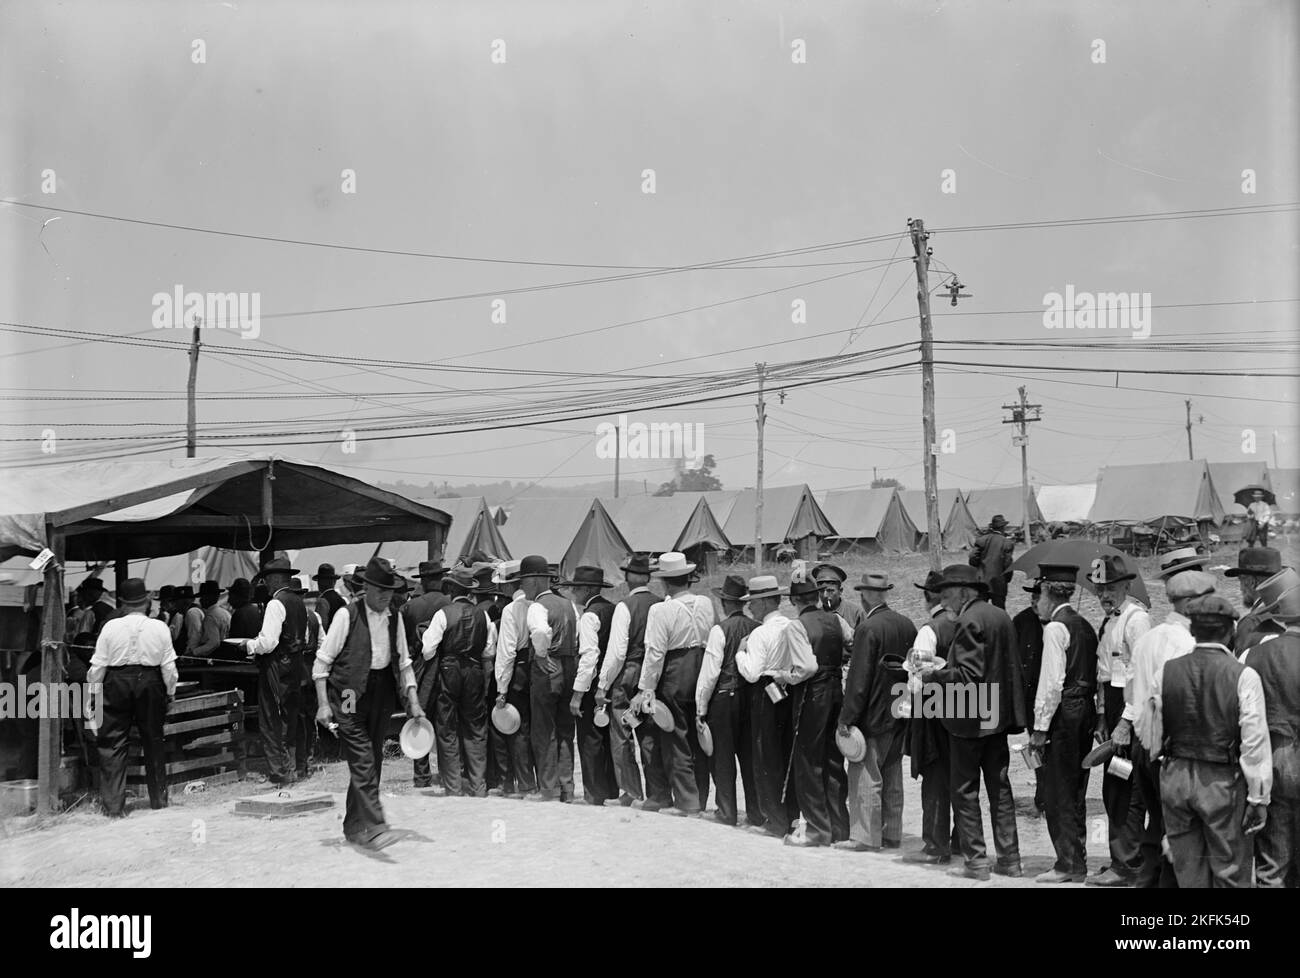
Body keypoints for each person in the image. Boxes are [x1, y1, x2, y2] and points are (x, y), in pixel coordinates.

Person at [921, 564, 1027, 880]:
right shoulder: (1000, 615)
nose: (944, 600)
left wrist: (934, 674)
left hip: (969, 720)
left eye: (948, 594)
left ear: (966, 592)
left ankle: (977, 862)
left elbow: (967, 676)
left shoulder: (969, 620)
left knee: (965, 792)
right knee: (1000, 790)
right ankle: (1010, 860)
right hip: (996, 716)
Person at [1158, 594, 1271, 888]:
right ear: (1231, 631)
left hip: (1175, 775)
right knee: (1229, 872)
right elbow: (1254, 740)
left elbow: (1151, 730)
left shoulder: (1166, 671)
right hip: (1221, 781)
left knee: (1188, 872)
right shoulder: (1243, 675)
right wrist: (1259, 797)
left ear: (1192, 630)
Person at [314, 556, 424, 850]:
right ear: (367, 589)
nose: (385, 597)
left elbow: (404, 663)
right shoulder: (346, 616)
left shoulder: (395, 618)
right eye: (380, 592)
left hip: (381, 693)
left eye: (389, 592)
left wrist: (413, 699)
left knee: (373, 760)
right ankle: (375, 826)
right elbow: (322, 663)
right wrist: (324, 705)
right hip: (349, 696)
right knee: (362, 759)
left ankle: (353, 826)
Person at [1125, 565, 1216, 888]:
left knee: (1157, 821)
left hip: (1143, 743)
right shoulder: (1187, 644)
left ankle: (1146, 881)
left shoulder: (1148, 639)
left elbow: (1130, 692)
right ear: (1191, 604)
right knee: (1179, 828)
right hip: (1171, 748)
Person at [1027, 564, 1097, 884]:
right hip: (1084, 711)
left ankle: (1067, 863)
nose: (1036, 602)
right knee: (1076, 787)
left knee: (1057, 789)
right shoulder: (1085, 625)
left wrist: (1040, 729)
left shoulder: (1055, 628)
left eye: (1038, 594)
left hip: (1063, 713)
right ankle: (1076, 858)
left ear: (1048, 594)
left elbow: (1051, 684)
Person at [85, 578, 177, 817]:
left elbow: (98, 667)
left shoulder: (110, 627)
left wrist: (92, 696)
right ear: (146, 602)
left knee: (112, 743)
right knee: (154, 740)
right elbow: (169, 669)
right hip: (150, 682)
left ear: (122, 604)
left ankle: (114, 807)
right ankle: (159, 800)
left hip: (116, 682)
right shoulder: (160, 628)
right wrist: (170, 693)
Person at [633, 552, 715, 816]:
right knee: (698, 732)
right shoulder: (705, 603)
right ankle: (699, 797)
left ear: (666, 583)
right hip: (701, 666)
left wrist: (647, 688)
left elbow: (655, 652)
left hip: (675, 669)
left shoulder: (661, 610)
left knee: (675, 737)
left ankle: (686, 800)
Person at [837, 571, 912, 851]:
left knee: (866, 775)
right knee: (893, 775)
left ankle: (865, 837)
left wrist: (847, 718)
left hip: (873, 714)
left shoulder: (868, 628)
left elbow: (859, 678)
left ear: (866, 596)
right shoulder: (906, 624)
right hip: (899, 707)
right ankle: (892, 832)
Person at [1089, 553, 1151, 887]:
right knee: (1113, 788)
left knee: (1126, 789)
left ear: (1126, 585)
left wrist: (1125, 722)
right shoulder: (1109, 620)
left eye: (1111, 587)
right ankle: (1120, 857)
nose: (1104, 595)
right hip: (1112, 707)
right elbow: (1104, 673)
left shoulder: (1135, 619)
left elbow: (1141, 675)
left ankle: (1128, 864)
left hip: (1130, 711)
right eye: (1099, 589)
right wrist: (1102, 716)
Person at [1238, 568, 1300, 887]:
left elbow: (1243, 714)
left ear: (1276, 616)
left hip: (1274, 758)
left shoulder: (1254, 655)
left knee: (1272, 863)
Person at [594, 555, 667, 809]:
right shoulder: (661, 604)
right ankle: (658, 793)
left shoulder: (624, 607)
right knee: (650, 733)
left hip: (629, 672)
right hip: (654, 673)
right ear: (649, 577)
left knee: (622, 732)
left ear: (626, 578)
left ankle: (632, 791)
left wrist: (603, 684)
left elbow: (616, 652)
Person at [421, 567, 496, 797]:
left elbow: (427, 650)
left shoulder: (443, 614)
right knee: (475, 728)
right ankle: (478, 786)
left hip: (449, 670)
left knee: (447, 727)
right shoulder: (483, 615)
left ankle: (453, 786)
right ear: (470, 591)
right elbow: (488, 650)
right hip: (474, 669)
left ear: (452, 589)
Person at [696, 574, 762, 827]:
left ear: (724, 603)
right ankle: (756, 811)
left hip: (724, 698)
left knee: (722, 758)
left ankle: (726, 810)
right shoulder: (756, 627)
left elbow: (709, 674)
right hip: (751, 697)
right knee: (750, 756)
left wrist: (701, 709)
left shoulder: (719, 630)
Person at [237, 558, 310, 783]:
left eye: (267, 580)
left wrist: (249, 645)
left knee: (271, 720)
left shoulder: (275, 604)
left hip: (277, 667)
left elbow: (268, 642)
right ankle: (298, 767)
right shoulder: (299, 603)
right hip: (296, 665)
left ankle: (280, 772)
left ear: (276, 579)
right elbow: (305, 638)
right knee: (293, 717)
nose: (266, 585)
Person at [735, 574, 797, 838]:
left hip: (766, 691)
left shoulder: (759, 634)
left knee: (766, 755)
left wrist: (740, 653)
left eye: (754, 603)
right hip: (789, 688)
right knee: (786, 752)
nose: (750, 608)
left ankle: (775, 818)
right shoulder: (793, 626)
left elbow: (752, 672)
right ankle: (792, 814)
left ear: (765, 603)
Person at [907, 570, 960, 864]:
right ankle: (962, 841)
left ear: (929, 597)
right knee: (962, 779)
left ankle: (935, 846)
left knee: (936, 779)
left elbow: (918, 679)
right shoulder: (965, 623)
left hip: (935, 709)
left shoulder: (929, 630)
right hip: (968, 707)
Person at [519, 555, 579, 802]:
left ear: (533, 581)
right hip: (570, 665)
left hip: (549, 667)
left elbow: (541, 631)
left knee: (544, 729)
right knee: (565, 730)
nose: (522, 587)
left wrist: (541, 654)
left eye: (523, 581)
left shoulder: (536, 607)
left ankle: (548, 788)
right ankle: (567, 787)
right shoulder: (569, 604)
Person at [565, 565, 620, 806]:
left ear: (587, 589)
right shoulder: (614, 609)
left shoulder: (589, 616)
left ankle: (594, 792)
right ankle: (611, 788)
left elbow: (589, 657)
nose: (573, 593)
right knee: (608, 738)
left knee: (590, 740)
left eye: (576, 588)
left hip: (592, 684)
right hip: (610, 681)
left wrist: (578, 694)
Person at [492, 560, 538, 798]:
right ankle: (544, 782)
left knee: (518, 729)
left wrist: (502, 687)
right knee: (538, 727)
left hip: (518, 670)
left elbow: (507, 652)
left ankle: (526, 784)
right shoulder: (540, 604)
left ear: (510, 586)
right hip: (539, 669)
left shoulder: (512, 611)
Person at [405, 560, 450, 789]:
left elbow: (403, 641)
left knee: (418, 718)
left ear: (422, 580)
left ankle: (421, 775)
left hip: (419, 668)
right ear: (440, 579)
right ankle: (445, 771)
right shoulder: (449, 603)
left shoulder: (411, 607)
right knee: (444, 720)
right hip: (445, 668)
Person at [1012, 579, 1046, 814]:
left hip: (1053, 699)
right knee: (1034, 746)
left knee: (1052, 751)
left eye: (1039, 597)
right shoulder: (1021, 621)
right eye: (1032, 597)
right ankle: (1041, 793)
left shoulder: (1062, 623)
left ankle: (1050, 793)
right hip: (1029, 697)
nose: (1034, 601)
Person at [1226, 546, 1285, 654]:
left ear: (1251, 582)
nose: (1241, 588)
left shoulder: (1251, 623)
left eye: (1241, 581)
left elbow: (1244, 668)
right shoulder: (1292, 608)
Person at [969, 515, 1016, 610]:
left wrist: (978, 568)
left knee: (979, 610)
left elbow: (972, 558)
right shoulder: (1007, 543)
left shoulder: (982, 540)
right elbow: (1007, 564)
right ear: (1003, 528)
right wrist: (1007, 579)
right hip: (998, 581)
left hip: (981, 580)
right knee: (999, 611)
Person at [189, 580, 231, 658]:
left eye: (203, 596)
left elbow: (214, 643)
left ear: (210, 597)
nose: (200, 600)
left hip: (214, 656)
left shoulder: (210, 617)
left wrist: (195, 652)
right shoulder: (226, 613)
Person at [312, 563, 347, 632]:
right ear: (334, 582)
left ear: (320, 582)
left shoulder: (323, 601)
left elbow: (321, 627)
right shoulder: (341, 599)